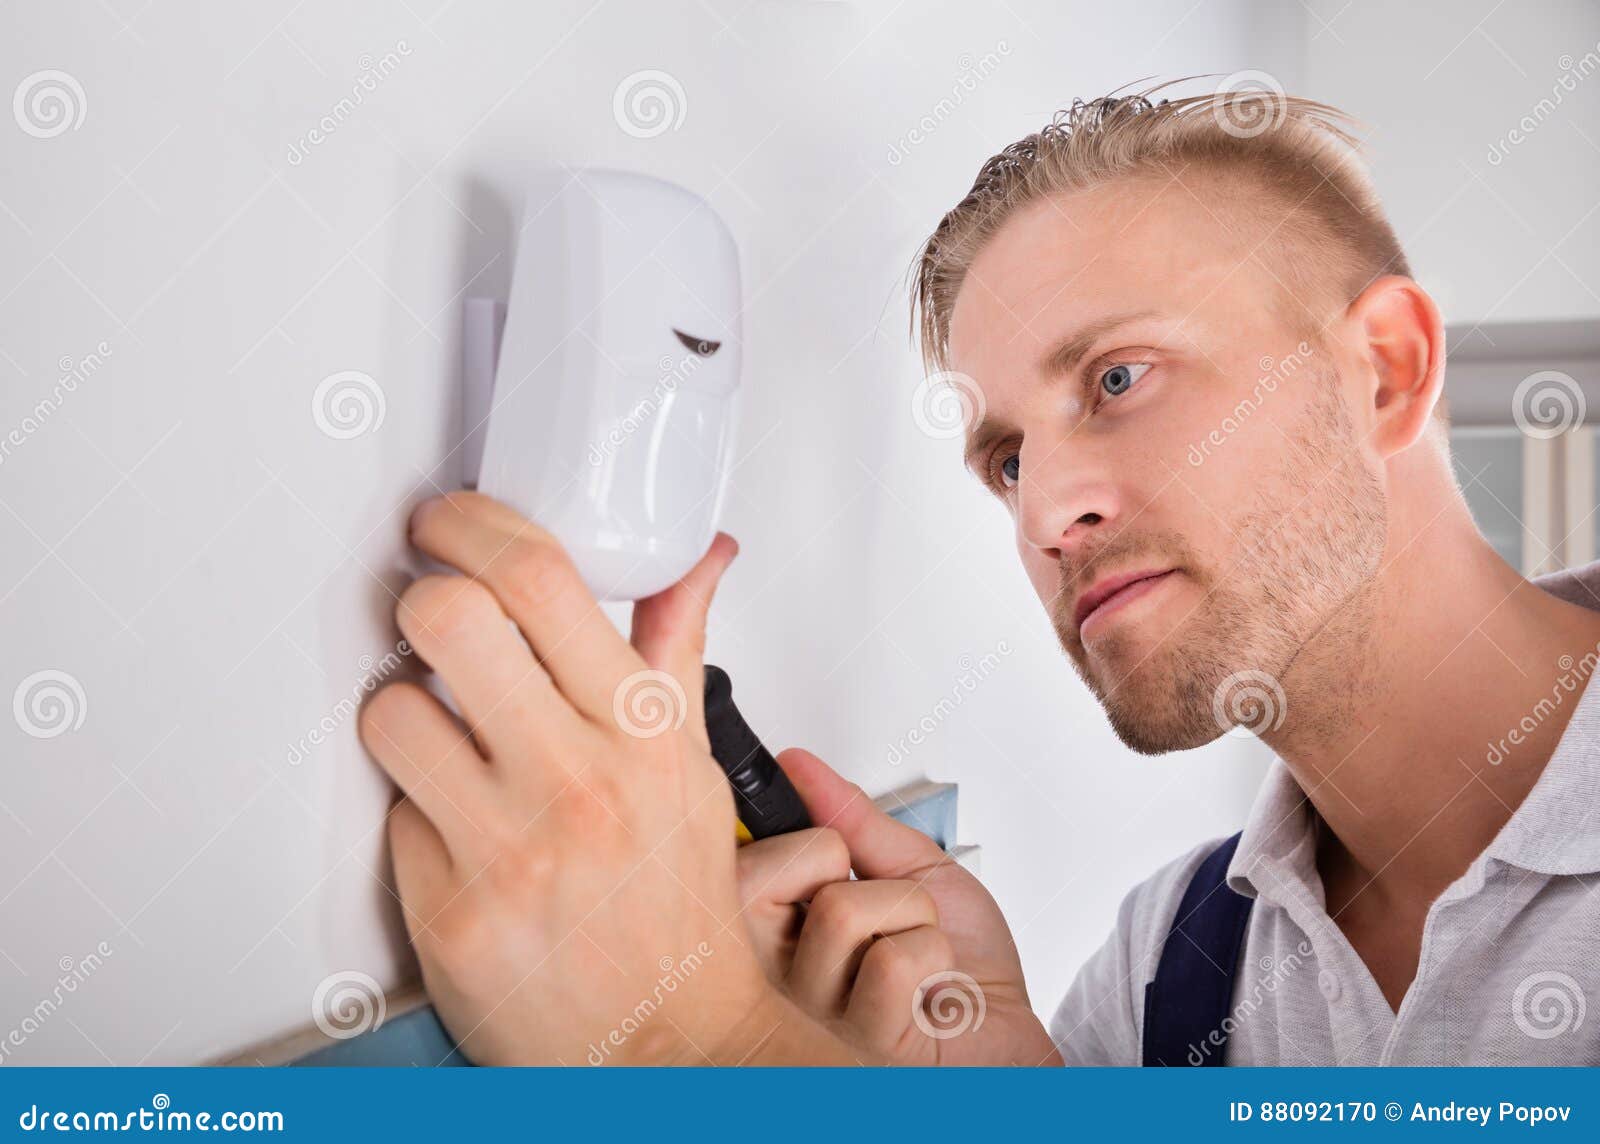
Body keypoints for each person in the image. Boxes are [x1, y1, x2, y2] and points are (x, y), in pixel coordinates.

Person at [357, 85, 1600, 1066]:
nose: (1050, 512)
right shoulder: (1171, 972)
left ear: (1382, 367)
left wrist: (695, 1046)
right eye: (1007, 459)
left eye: (1117, 377)